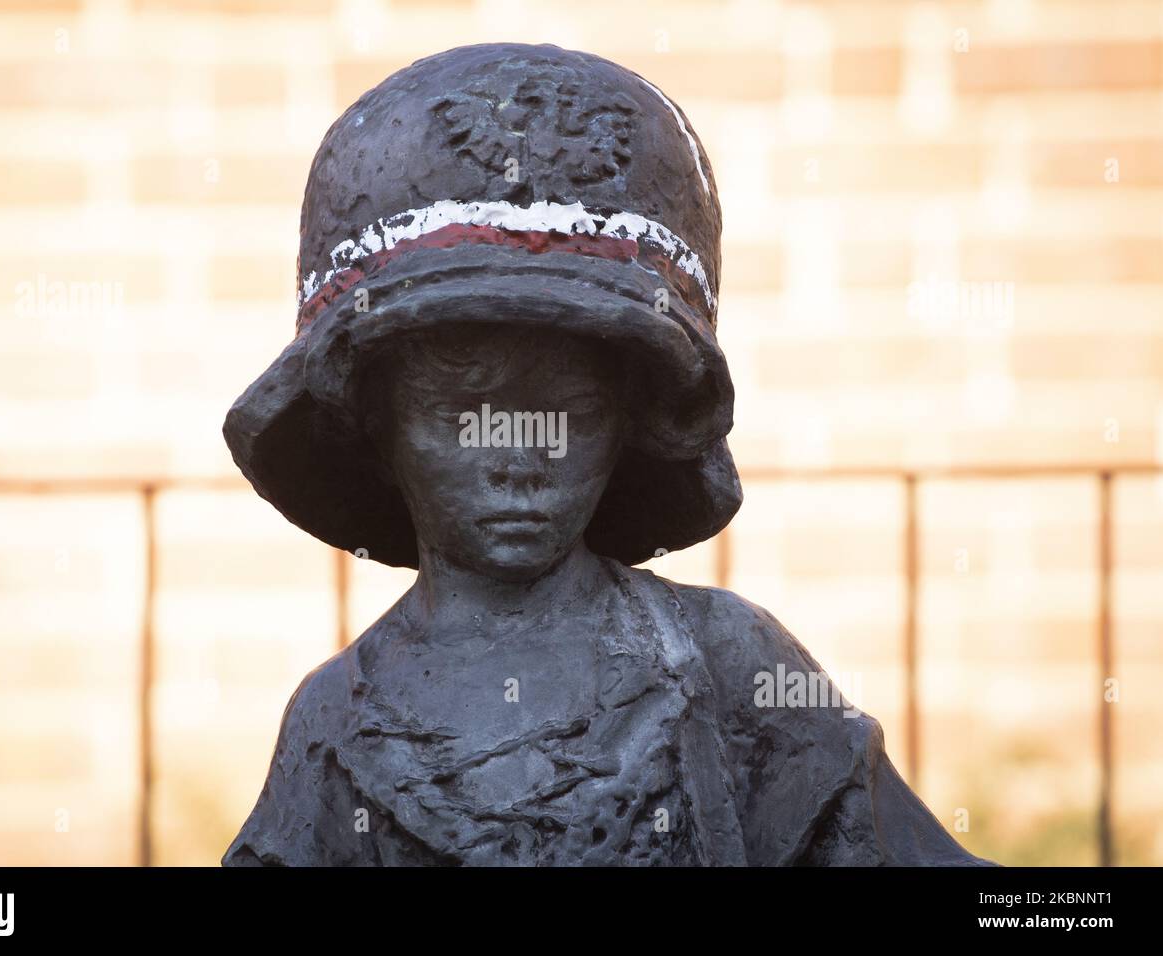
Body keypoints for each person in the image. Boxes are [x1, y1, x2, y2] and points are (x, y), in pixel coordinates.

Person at [220, 42, 993, 866]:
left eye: (571, 413)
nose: (520, 456)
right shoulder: (335, 722)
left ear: (633, 421)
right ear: (375, 426)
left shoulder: (728, 661)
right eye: (462, 414)